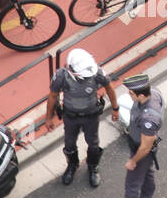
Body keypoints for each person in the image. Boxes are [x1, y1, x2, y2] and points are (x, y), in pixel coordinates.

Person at [45, 48, 118, 188]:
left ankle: (93, 166)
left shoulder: (97, 72)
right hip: (70, 117)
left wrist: (115, 108)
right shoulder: (61, 76)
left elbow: (109, 88)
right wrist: (48, 119)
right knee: (69, 144)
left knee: (94, 144)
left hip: (91, 117)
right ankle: (72, 165)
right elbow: (53, 96)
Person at [105, 74, 163, 198]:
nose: (129, 95)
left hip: (141, 150)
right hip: (142, 146)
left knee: (132, 185)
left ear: (142, 95)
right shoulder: (154, 92)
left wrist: (133, 160)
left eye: (131, 93)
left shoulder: (149, 118)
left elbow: (145, 146)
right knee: (147, 173)